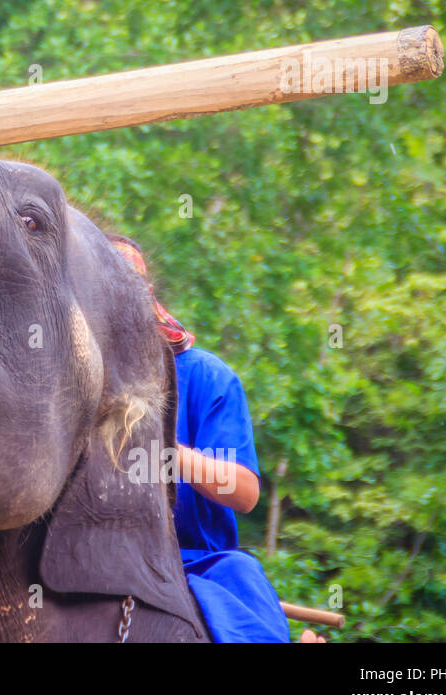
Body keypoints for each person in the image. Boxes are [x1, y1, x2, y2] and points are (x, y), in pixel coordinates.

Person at [111, 238, 318, 643]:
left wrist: (163, 451)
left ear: (146, 298)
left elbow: (244, 493)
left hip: (197, 563)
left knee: (240, 577)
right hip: (92, 559)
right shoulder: (70, 382)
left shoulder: (205, 375)